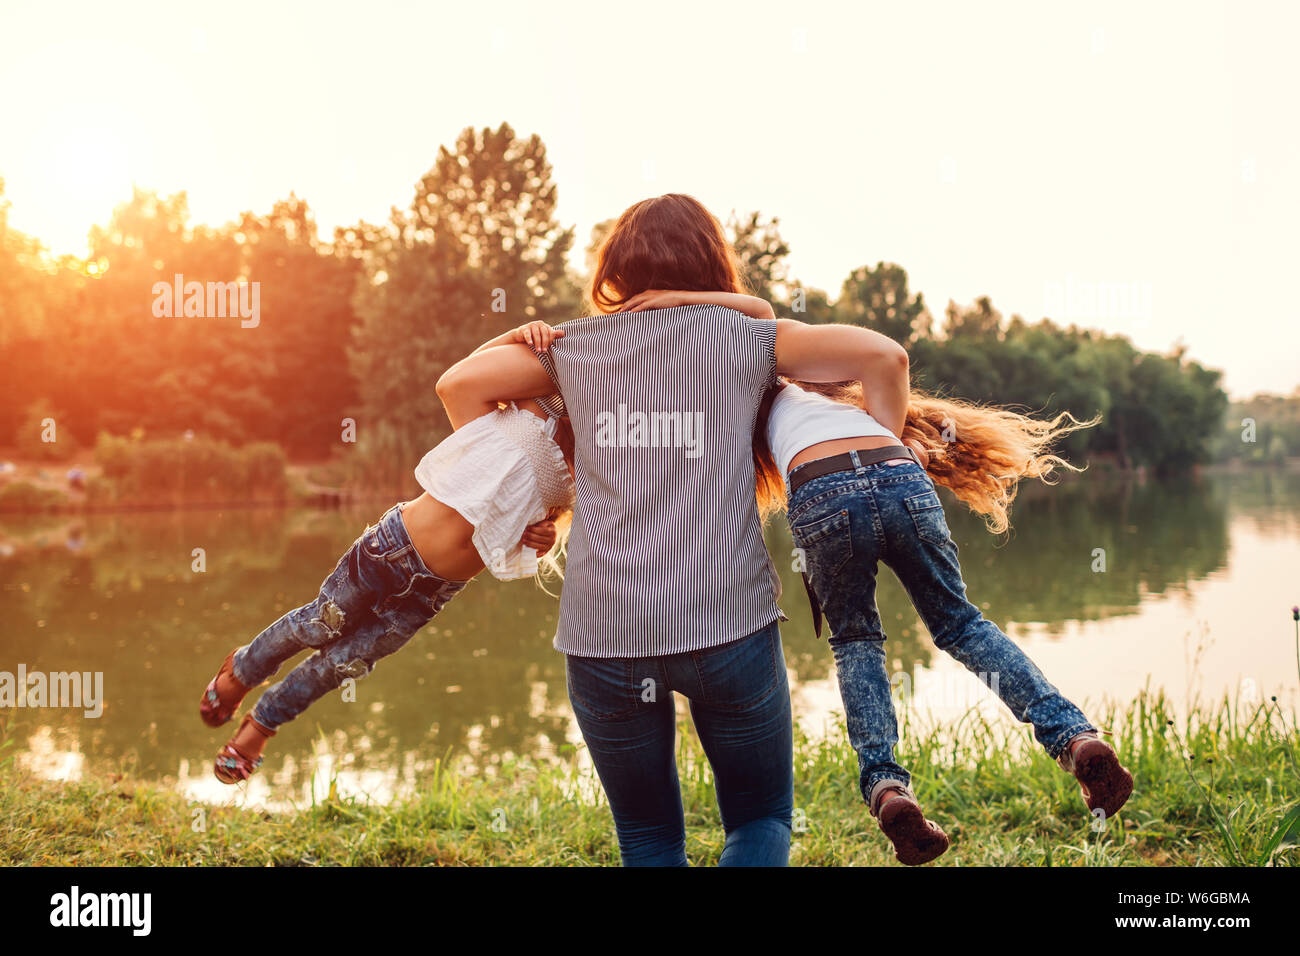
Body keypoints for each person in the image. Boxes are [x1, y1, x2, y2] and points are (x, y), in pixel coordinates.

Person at [435, 193, 913, 865]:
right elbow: (883, 359)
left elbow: (459, 386)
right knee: (761, 820)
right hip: (728, 625)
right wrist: (873, 468)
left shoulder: (576, 347)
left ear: (616, 272)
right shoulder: (746, 338)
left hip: (605, 635)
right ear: (712, 265)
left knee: (649, 837)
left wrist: (534, 502)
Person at [615, 287, 1135, 865]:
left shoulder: (728, 395)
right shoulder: (813, 385)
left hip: (821, 489)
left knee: (857, 641)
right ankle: (1074, 737)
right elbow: (765, 311)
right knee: (962, 625)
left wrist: (661, 299)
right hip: (897, 471)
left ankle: (888, 788)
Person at [197, 324, 574, 783]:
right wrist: (513, 337)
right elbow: (454, 382)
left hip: (435, 592)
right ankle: (242, 669)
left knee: (343, 664)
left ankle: (263, 724)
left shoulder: (583, 462)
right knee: (320, 622)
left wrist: (544, 537)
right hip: (392, 548)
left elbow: (520, 524)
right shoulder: (508, 415)